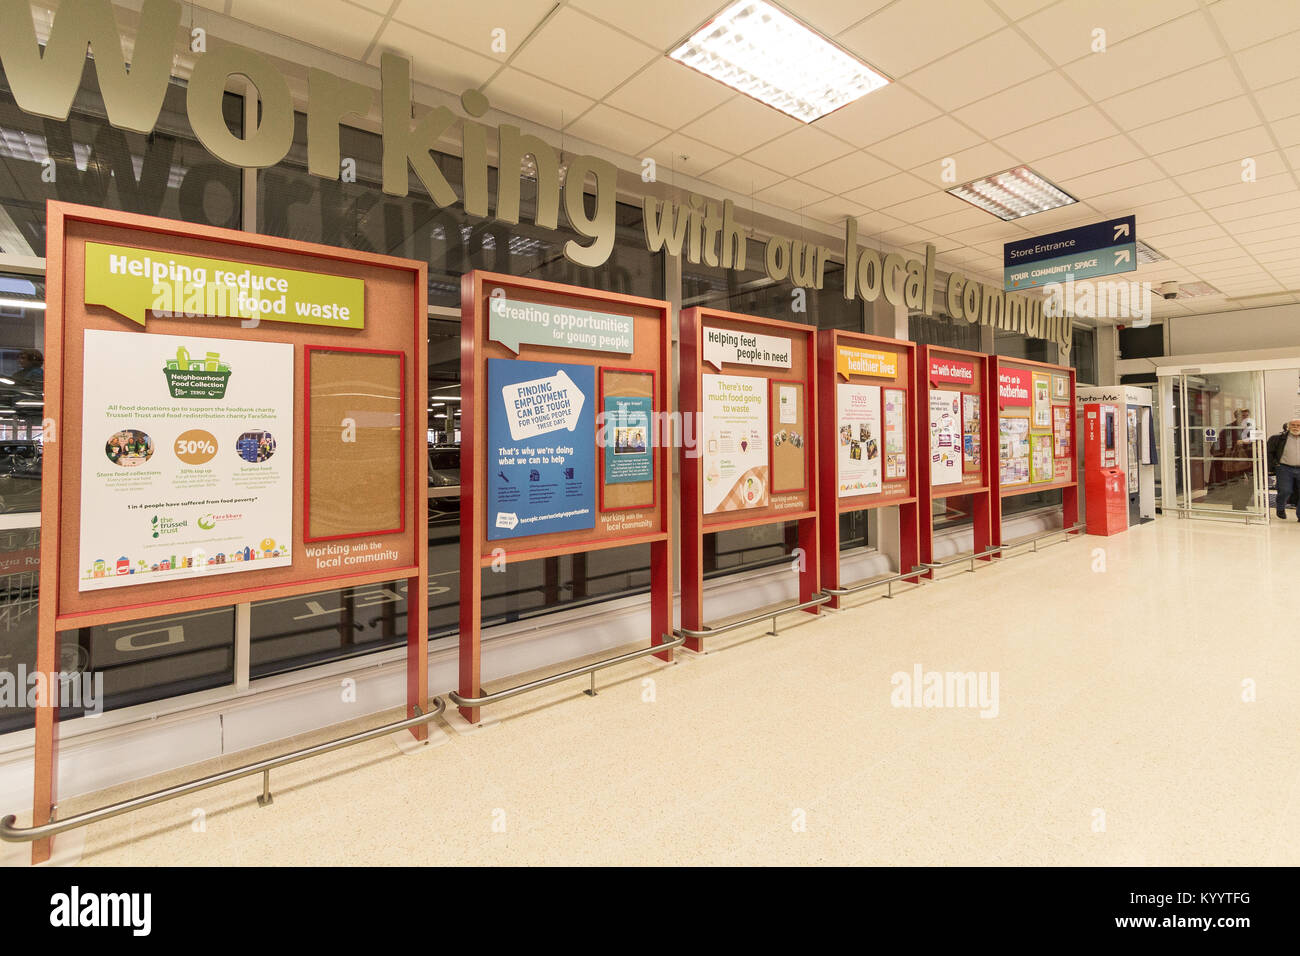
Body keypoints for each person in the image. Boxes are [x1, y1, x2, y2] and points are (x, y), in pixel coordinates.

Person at [1267, 418, 1300, 521]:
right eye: (1293, 425)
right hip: (1284, 468)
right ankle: (1280, 507)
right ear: (1288, 426)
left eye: (1298, 425)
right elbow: (1269, 453)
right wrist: (1274, 466)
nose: (1295, 427)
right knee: (1285, 490)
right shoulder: (1278, 438)